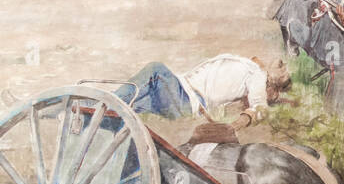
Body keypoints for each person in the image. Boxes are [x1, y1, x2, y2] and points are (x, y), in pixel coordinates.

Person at [115, 54, 290, 128]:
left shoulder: (258, 75)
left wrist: (241, 122)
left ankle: (101, 104)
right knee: (129, 110)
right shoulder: (250, 67)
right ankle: (107, 116)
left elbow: (260, 106)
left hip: (187, 101)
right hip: (180, 90)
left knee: (155, 69)